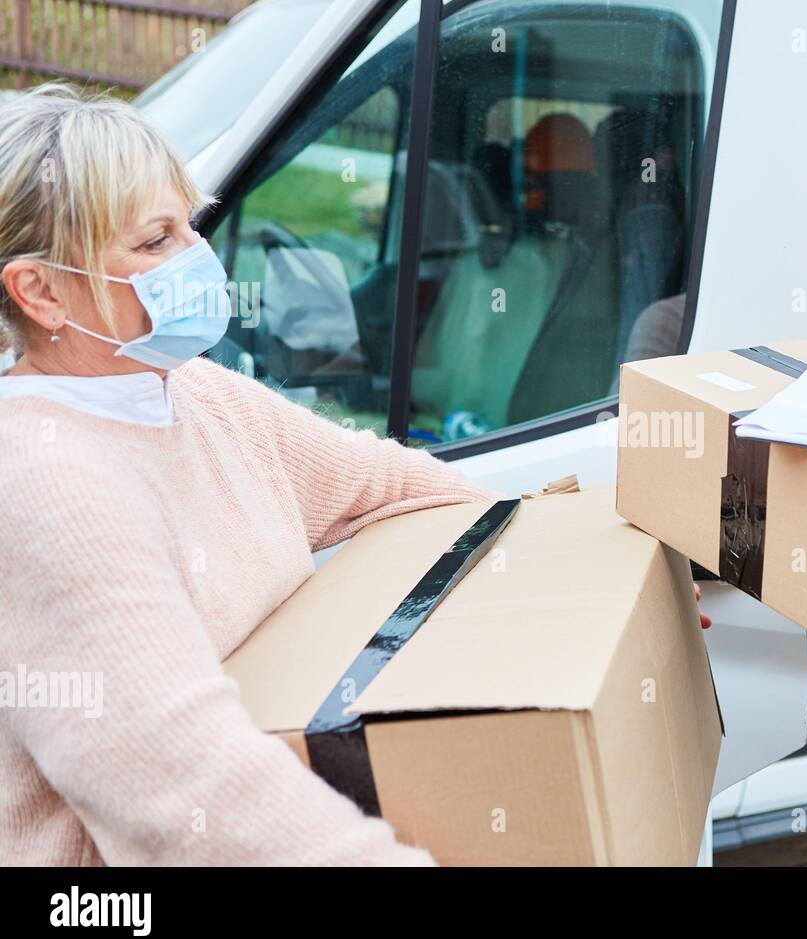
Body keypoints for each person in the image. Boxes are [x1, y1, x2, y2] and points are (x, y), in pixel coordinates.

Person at [0, 85, 498, 865]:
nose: (195, 259)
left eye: (188, 225)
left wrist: (591, 594)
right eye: (155, 240)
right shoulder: (44, 482)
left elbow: (402, 488)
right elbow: (184, 786)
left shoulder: (194, 391)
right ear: (42, 292)